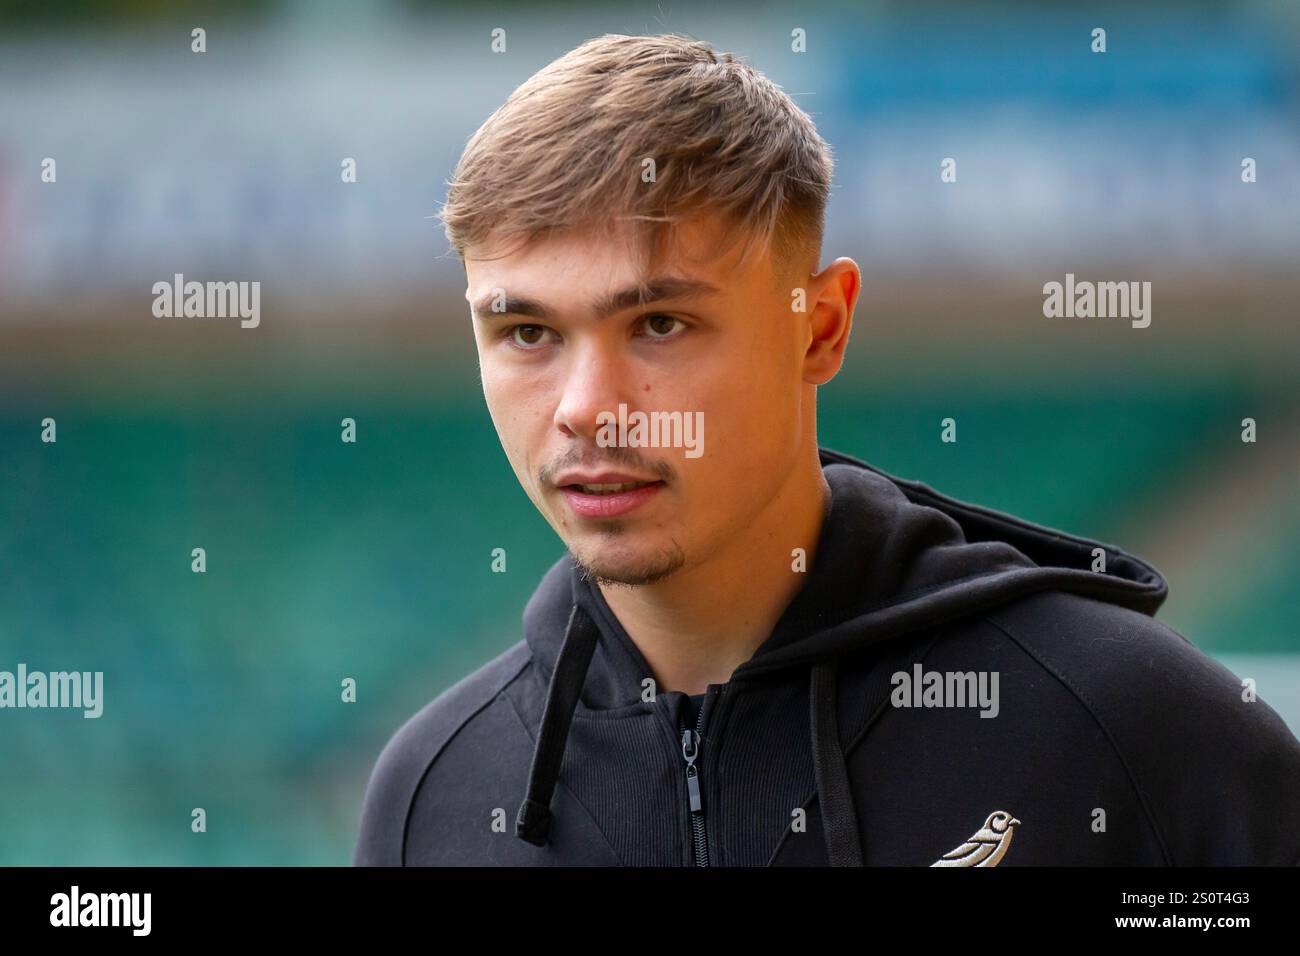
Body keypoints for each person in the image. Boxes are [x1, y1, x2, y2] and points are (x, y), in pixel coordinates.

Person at [354, 33, 1300, 866]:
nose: (587, 409)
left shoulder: (1135, 730)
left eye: (660, 323)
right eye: (526, 333)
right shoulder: (432, 794)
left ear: (821, 327)